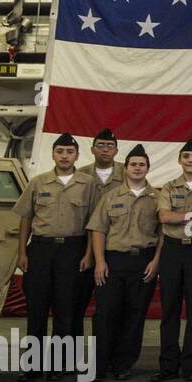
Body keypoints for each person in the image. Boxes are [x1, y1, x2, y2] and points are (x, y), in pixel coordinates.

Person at [12, 133, 96, 381]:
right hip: (40, 249)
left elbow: (94, 223)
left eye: (69, 152)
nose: (64, 156)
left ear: (77, 155)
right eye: (60, 151)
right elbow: (25, 218)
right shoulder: (38, 182)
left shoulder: (87, 184)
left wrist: (89, 254)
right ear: (53, 154)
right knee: (36, 308)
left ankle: (60, 365)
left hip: (73, 250)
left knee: (65, 309)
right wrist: (22, 252)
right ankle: (33, 366)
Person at [87, 144, 162, 380]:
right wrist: (99, 262)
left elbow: (163, 234)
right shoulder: (110, 197)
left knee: (135, 313)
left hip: (143, 262)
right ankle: (100, 364)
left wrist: (156, 261)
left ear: (148, 168)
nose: (137, 168)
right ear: (126, 168)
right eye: (133, 164)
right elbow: (98, 229)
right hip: (113, 262)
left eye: (142, 164)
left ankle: (123, 364)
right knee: (106, 312)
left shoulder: (158, 199)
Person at [152, 139, 192, 382]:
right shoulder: (169, 186)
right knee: (169, 308)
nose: (191, 160)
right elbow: (164, 216)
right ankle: (168, 365)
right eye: (187, 156)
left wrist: (188, 217)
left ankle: (191, 365)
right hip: (172, 250)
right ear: (180, 160)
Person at [72, 128, 122, 342]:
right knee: (74, 303)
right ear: (92, 149)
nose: (105, 150)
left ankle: (106, 357)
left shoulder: (127, 173)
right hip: (81, 247)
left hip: (114, 246)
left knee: (110, 308)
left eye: (110, 146)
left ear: (117, 150)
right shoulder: (79, 175)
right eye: (100, 145)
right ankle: (69, 359)